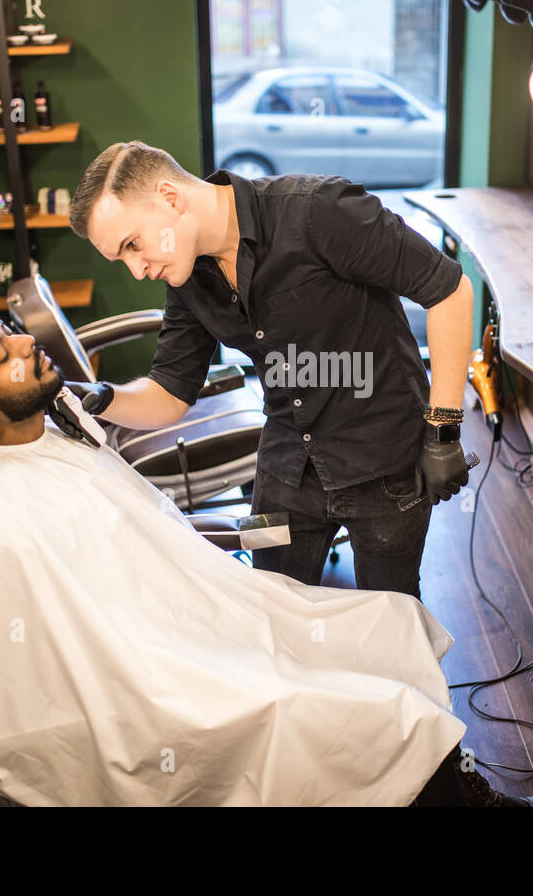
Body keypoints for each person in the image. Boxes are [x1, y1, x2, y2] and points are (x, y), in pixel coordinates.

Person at [0, 297, 533, 806]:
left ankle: (454, 788)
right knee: (358, 710)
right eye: (1, 358)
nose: (23, 344)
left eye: (5, 329)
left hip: (196, 619)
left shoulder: (49, 424)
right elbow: (71, 670)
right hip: (156, 682)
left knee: (383, 626)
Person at [63, 142, 474, 599]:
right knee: (269, 610)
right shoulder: (187, 280)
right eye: (122, 258)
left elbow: (450, 289)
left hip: (384, 462)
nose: (137, 269)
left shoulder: (320, 212)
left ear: (170, 198)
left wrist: (443, 431)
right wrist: (100, 398)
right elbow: (170, 391)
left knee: (395, 621)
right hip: (286, 468)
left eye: (132, 245)